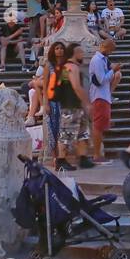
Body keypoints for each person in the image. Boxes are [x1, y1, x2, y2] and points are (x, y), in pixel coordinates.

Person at [53, 43, 94, 171]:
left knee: (82, 133)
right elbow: (76, 86)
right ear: (74, 54)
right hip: (72, 106)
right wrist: (87, 102)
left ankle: (83, 158)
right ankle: (61, 160)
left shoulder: (65, 67)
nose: (82, 54)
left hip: (73, 105)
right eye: (80, 52)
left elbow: (65, 86)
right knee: (66, 134)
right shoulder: (72, 67)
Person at [87, 39, 120, 163]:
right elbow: (101, 80)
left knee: (100, 126)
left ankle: (98, 154)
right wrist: (113, 71)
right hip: (99, 96)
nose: (111, 53)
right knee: (98, 126)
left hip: (103, 95)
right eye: (111, 50)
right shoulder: (97, 60)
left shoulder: (104, 59)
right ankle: (96, 155)